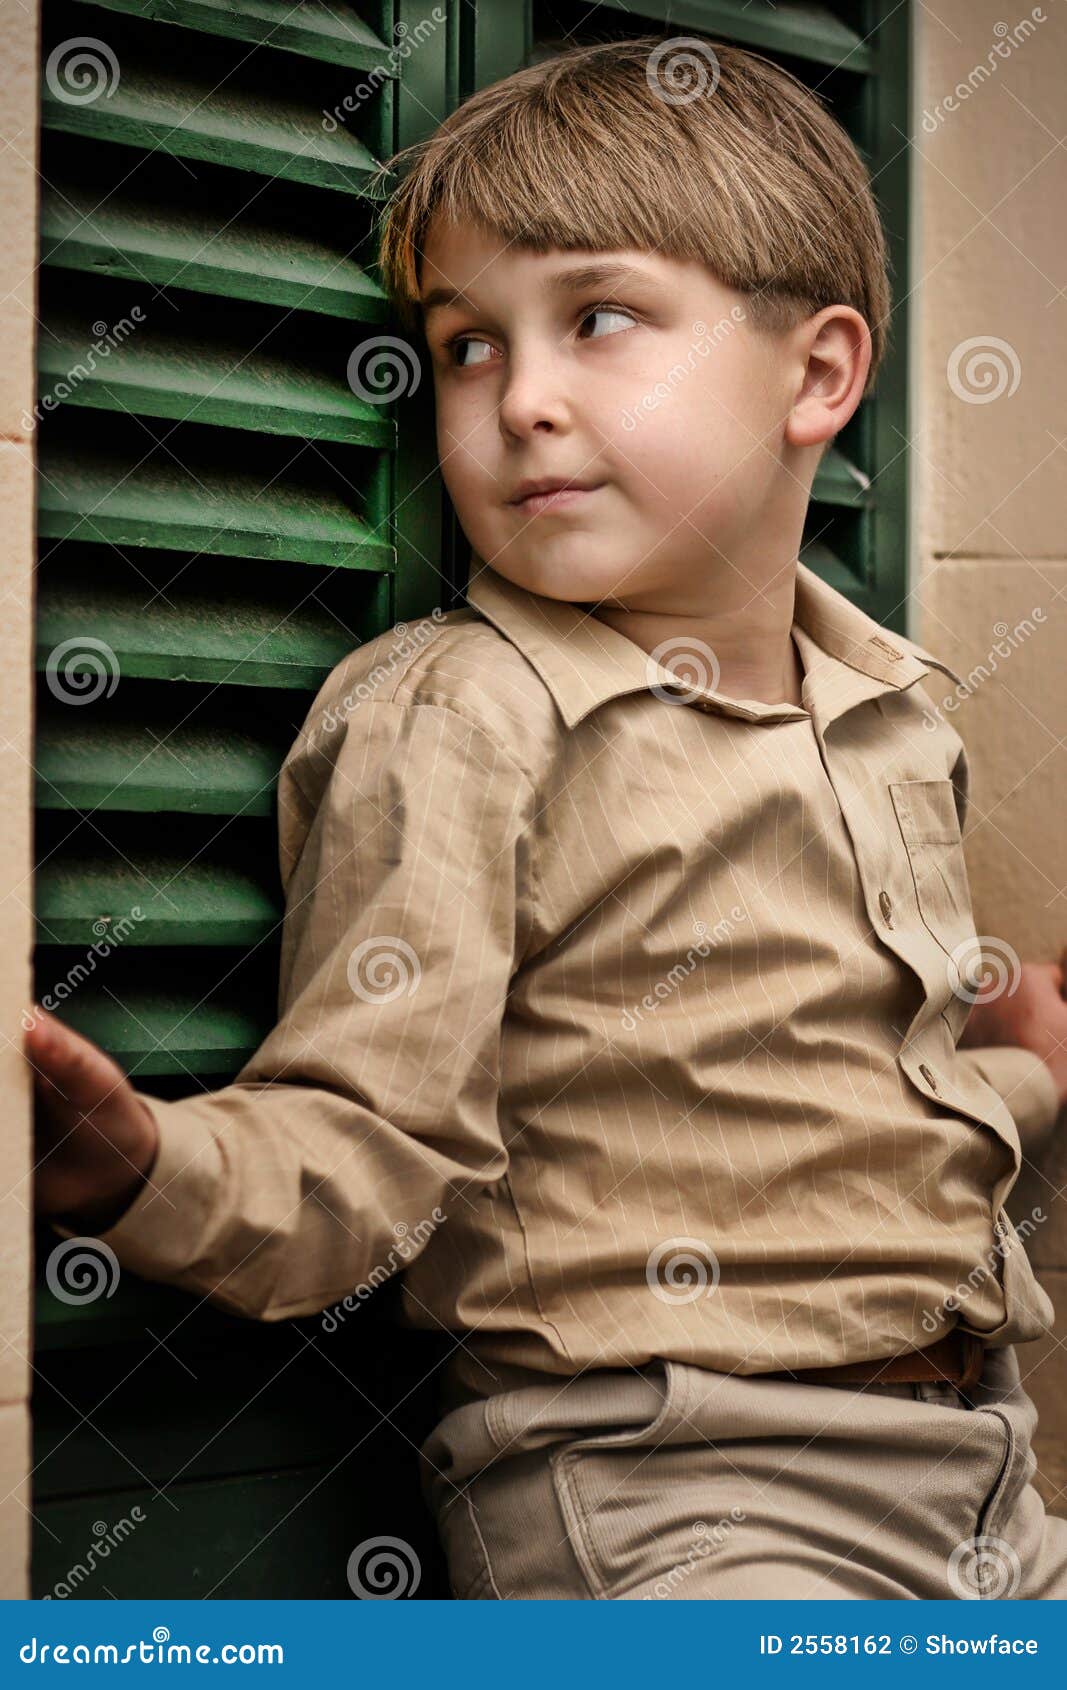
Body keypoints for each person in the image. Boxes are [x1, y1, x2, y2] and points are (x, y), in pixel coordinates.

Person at [28, 36, 1067, 1599]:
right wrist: (145, 1165)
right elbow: (364, 1134)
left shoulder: (894, 709)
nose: (520, 402)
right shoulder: (463, 710)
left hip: (984, 1471)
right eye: (462, 346)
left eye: (597, 319)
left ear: (822, 374)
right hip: (671, 1488)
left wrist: (1023, 1079)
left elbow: (831, 1100)